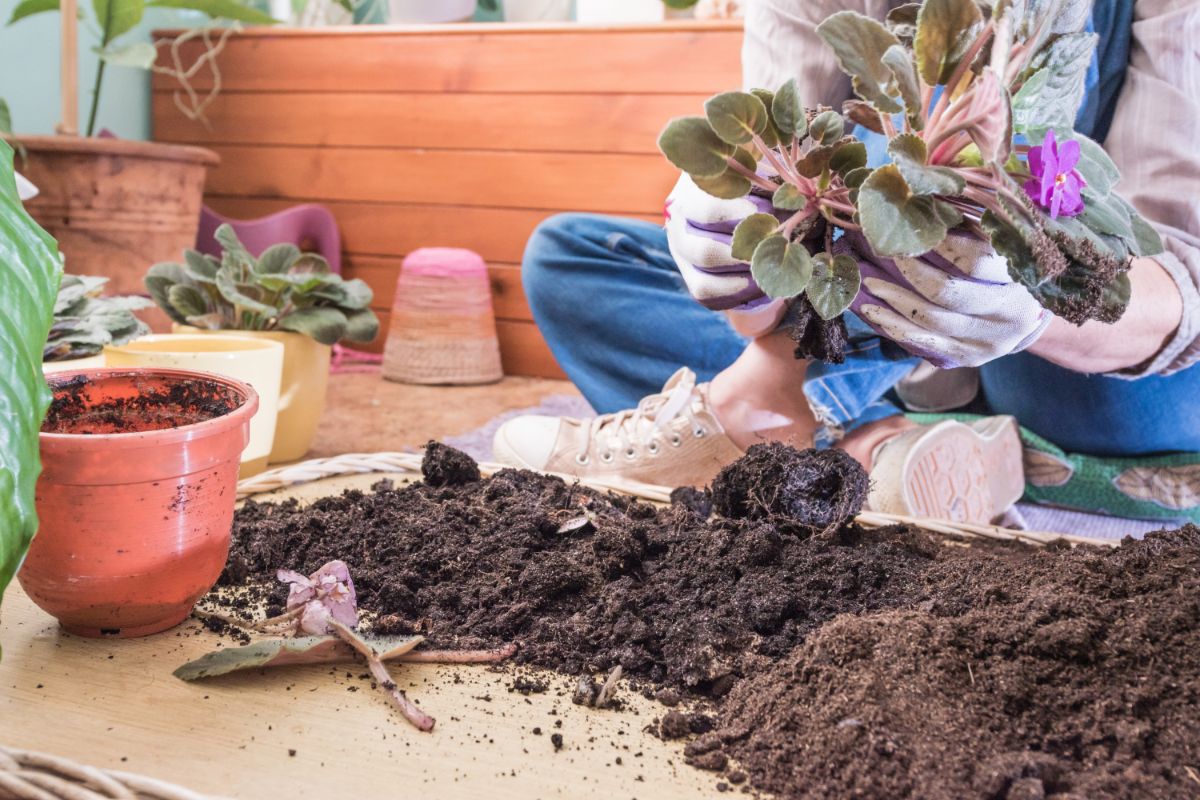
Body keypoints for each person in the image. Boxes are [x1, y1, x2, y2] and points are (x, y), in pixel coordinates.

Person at [494, 0, 1200, 525]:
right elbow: (794, 201)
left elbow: (1179, 278)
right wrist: (739, 258)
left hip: (1068, 357)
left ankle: (776, 423)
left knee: (1128, 401)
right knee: (571, 260)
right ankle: (905, 452)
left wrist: (1034, 302)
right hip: (882, 311)